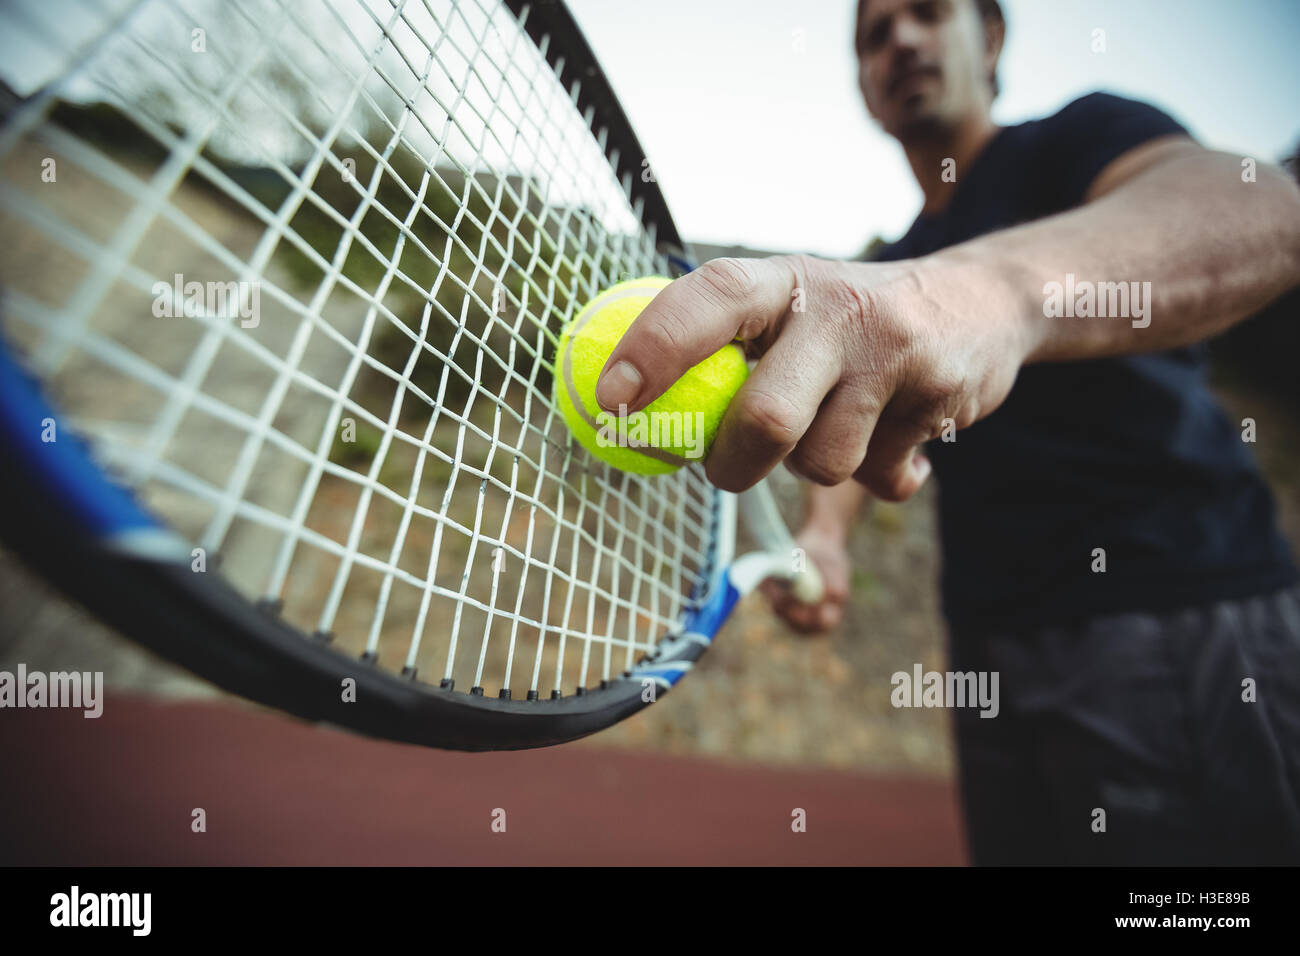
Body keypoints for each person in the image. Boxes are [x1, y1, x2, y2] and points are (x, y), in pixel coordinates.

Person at [593, 0, 1300, 864]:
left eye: (928, 13)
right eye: (873, 34)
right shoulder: (903, 255)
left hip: (1178, 614)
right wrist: (825, 535)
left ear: (991, 37)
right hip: (991, 648)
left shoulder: (1079, 138)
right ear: (863, 85)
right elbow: (866, 423)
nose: (902, 41)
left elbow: (1266, 215)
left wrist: (985, 295)